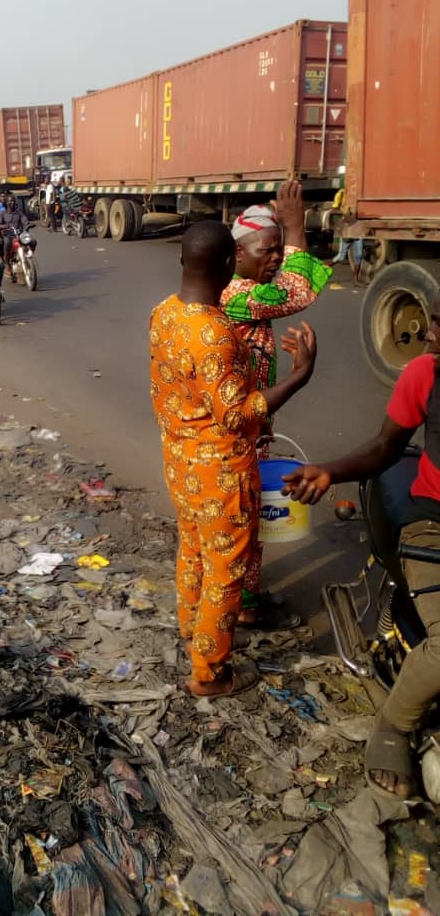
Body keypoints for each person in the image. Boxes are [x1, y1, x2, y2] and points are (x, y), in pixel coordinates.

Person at [150, 221, 317, 698]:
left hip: (179, 458)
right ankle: (210, 673)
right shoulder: (216, 334)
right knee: (226, 570)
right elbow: (239, 416)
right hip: (220, 470)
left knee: (194, 547)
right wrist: (300, 376)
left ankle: (193, 628)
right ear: (228, 265)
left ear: (183, 262)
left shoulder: (164, 313)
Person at [283, 298, 440, 798]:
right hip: (432, 523)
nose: (428, 332)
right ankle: (393, 727)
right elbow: (385, 446)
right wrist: (330, 470)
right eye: (432, 320)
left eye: (439, 323)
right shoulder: (425, 374)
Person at [220, 180, 331, 624]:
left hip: (253, 422)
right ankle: (239, 610)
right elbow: (299, 291)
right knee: (245, 519)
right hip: (241, 426)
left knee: (250, 517)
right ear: (237, 255)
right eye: (266, 251)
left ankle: (243, 600)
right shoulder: (238, 294)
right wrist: (295, 227)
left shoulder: (242, 293)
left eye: (278, 249)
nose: (275, 258)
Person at [329, 188, 364, 279]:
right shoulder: (341, 194)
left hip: (358, 227)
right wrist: (344, 214)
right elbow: (334, 210)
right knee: (340, 257)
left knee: (358, 255)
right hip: (347, 227)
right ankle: (321, 270)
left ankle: (355, 280)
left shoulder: (360, 195)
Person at [0, 196, 29, 278]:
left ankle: (28, 258)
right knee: (7, 242)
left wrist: (27, 226)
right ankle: (7, 263)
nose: (12, 203)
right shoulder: (2, 213)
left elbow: (25, 220)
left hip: (18, 234)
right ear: (6, 203)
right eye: (10, 201)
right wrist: (6, 226)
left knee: (32, 241)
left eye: (13, 201)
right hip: (8, 235)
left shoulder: (19, 212)